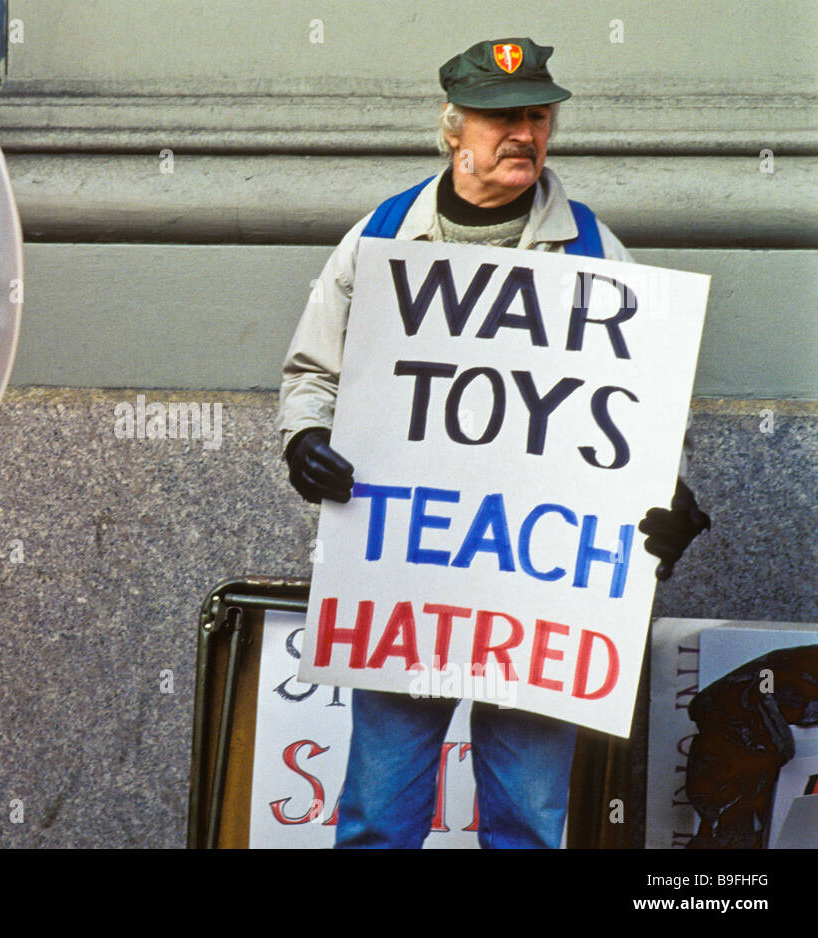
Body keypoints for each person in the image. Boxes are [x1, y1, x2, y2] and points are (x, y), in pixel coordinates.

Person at [277, 38, 711, 848]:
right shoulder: (378, 239)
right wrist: (305, 439)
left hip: (536, 604)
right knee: (377, 813)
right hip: (406, 584)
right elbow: (314, 372)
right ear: (452, 127)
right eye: (503, 116)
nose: (524, 132)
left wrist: (664, 496)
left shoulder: (595, 251)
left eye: (539, 116)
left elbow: (634, 408)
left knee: (526, 819)